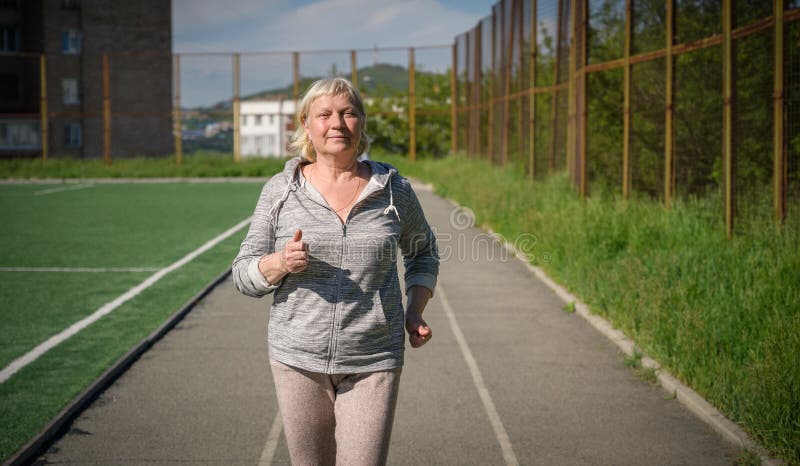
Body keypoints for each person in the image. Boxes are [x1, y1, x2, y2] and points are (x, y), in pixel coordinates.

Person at [232, 77, 439, 466]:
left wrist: (414, 310)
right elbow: (243, 273)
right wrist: (279, 263)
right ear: (307, 125)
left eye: (348, 113)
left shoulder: (393, 190)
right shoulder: (280, 191)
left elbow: (423, 251)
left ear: (361, 122)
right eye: (324, 114)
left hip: (373, 358)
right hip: (298, 359)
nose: (337, 123)